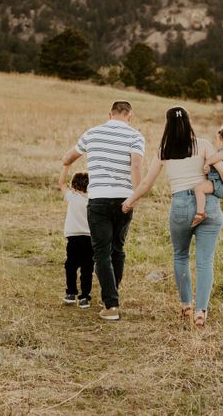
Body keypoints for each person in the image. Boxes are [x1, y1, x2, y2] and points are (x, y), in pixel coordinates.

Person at [121, 106, 223, 327]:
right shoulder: (204, 145)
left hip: (180, 206)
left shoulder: (164, 150)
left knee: (180, 256)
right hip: (208, 204)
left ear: (168, 125)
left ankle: (186, 305)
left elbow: (147, 183)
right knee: (205, 261)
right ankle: (201, 312)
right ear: (188, 122)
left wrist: (130, 200)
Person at [60, 100, 145, 321]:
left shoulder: (92, 133)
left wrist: (66, 165)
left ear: (110, 114)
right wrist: (135, 196)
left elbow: (68, 157)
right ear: (130, 116)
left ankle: (111, 304)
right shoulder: (135, 136)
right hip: (124, 199)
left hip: (98, 199)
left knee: (101, 252)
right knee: (117, 248)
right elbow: (136, 166)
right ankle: (111, 295)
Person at [59, 172, 93, 308]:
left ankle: (71, 293)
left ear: (73, 185)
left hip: (73, 238)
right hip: (90, 238)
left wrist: (65, 166)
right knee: (87, 268)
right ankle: (85, 297)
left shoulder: (72, 196)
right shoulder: (93, 199)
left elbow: (61, 183)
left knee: (71, 266)